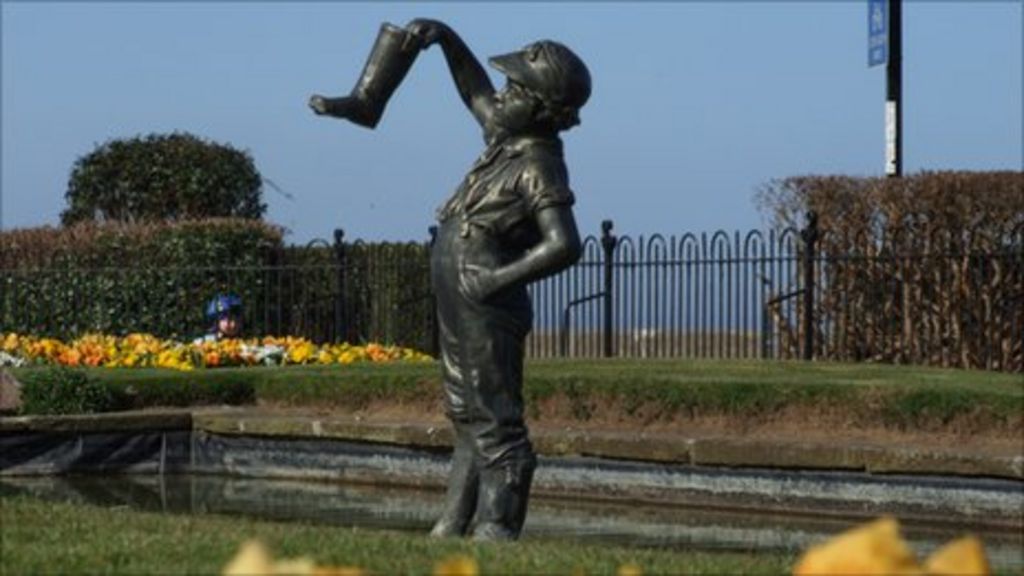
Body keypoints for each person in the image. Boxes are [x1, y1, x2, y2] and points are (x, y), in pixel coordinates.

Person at [308, 18, 589, 542]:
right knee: (464, 414)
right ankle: (453, 522)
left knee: (495, 420)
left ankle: (497, 528)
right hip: (463, 293)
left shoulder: (539, 166)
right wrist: (446, 39)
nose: (499, 96)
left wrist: (496, 279)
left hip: (486, 299)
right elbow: (473, 89)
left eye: (514, 91)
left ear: (541, 108)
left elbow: (564, 244)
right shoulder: (507, 140)